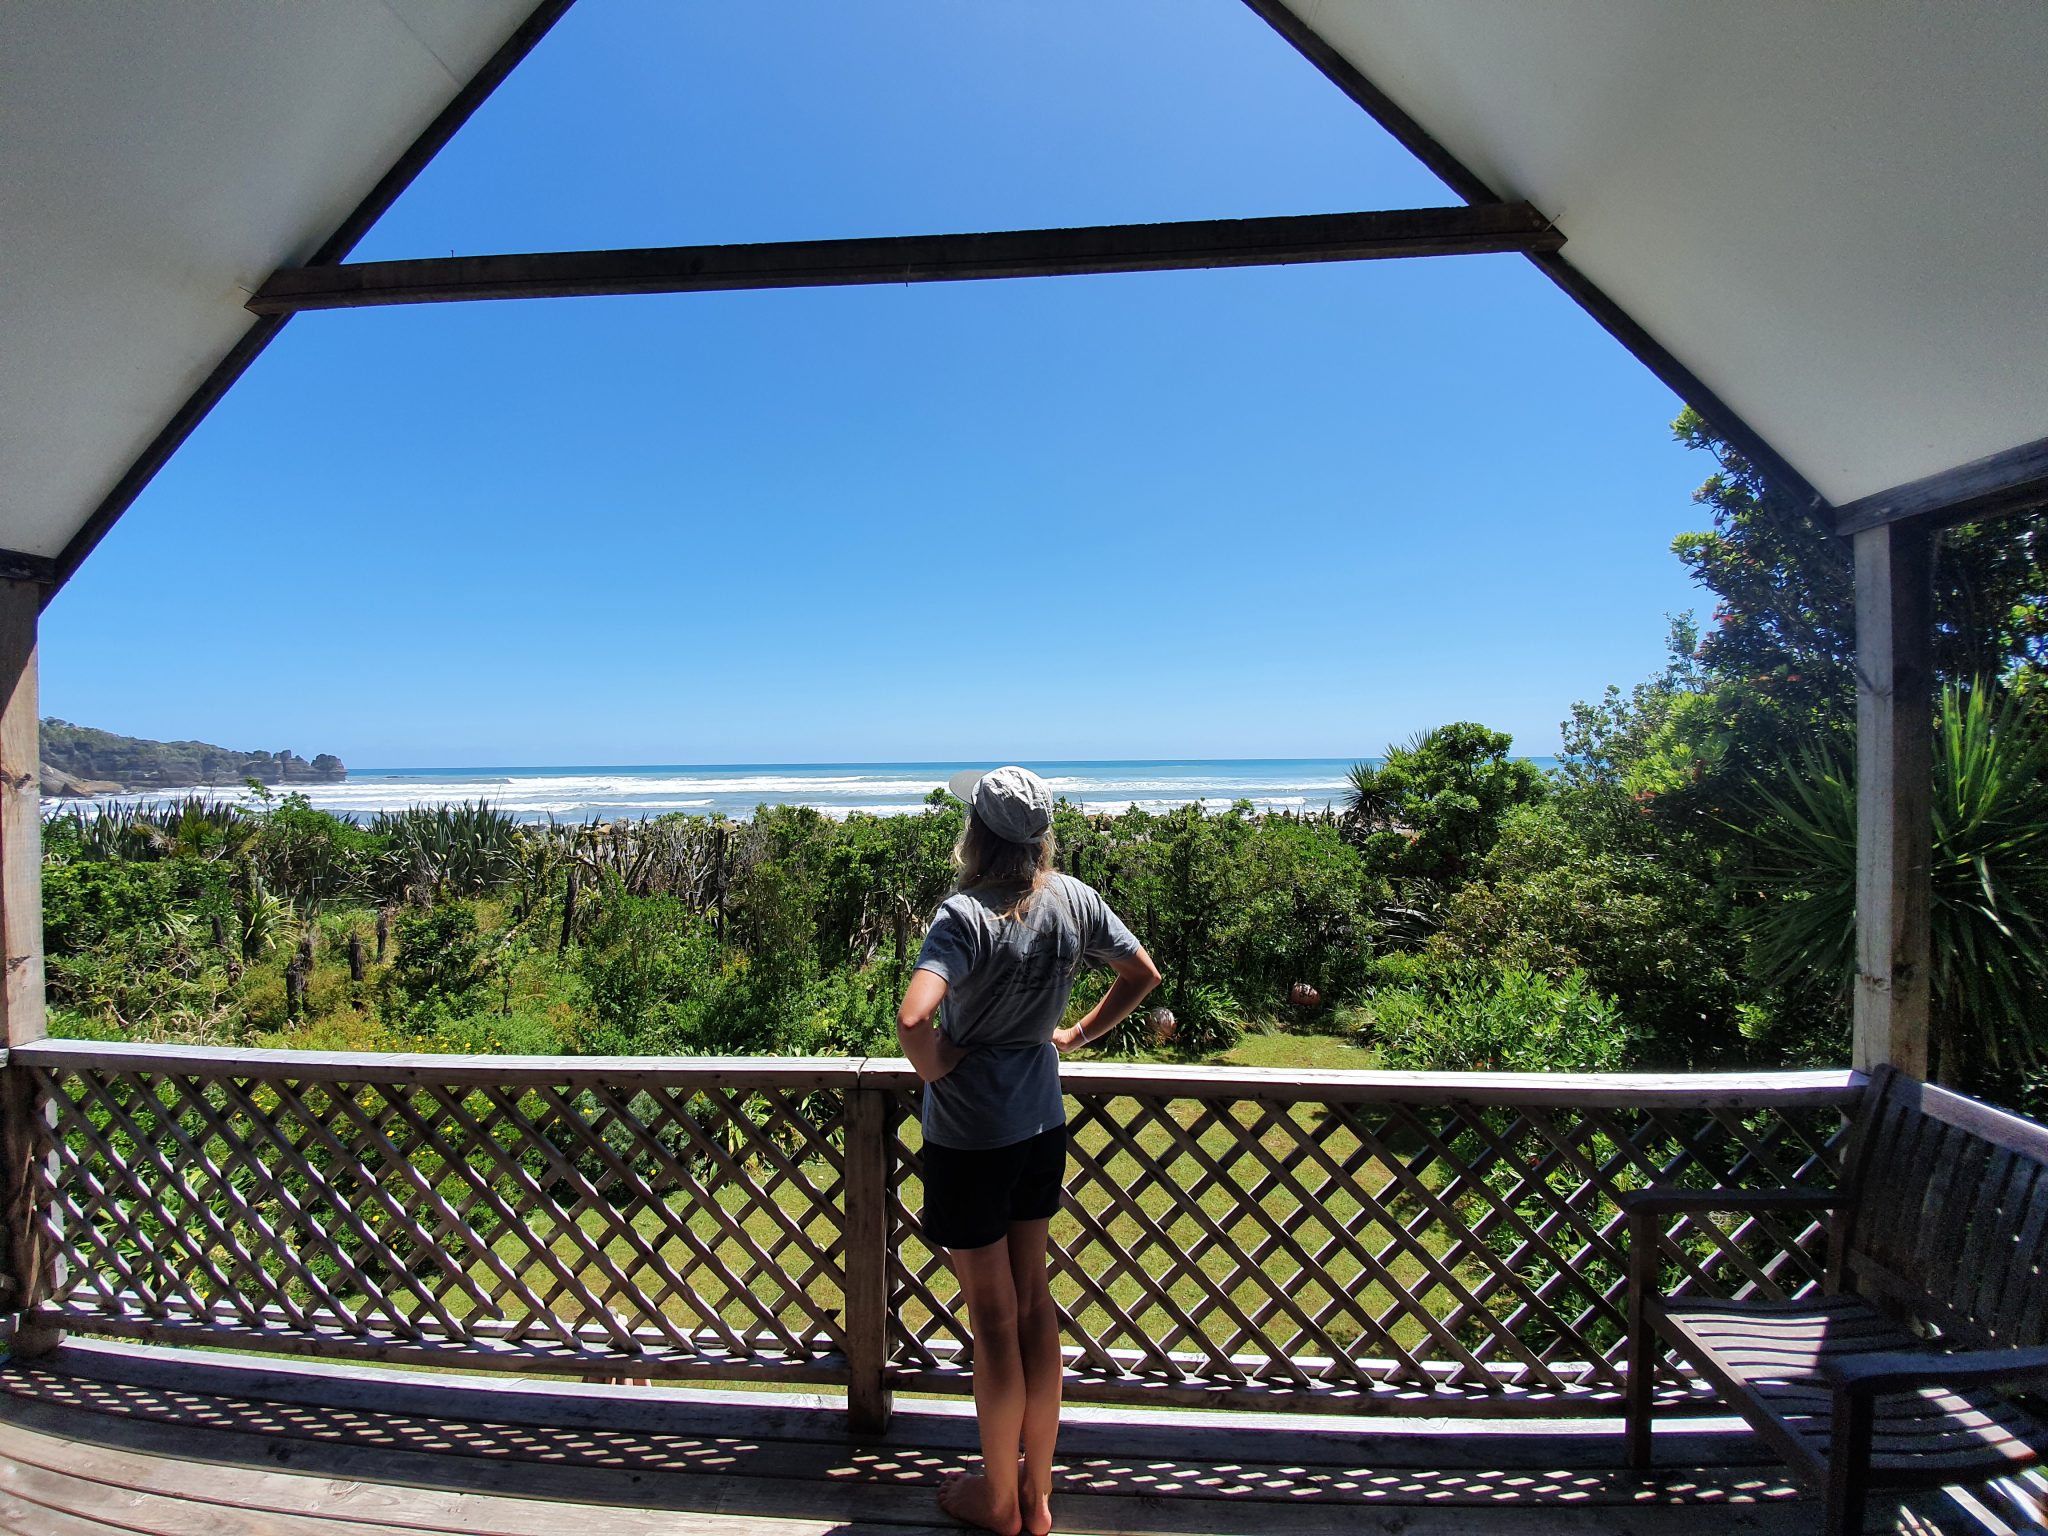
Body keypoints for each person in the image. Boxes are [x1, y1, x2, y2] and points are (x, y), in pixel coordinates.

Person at [897, 765, 1160, 1536]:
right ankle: (1039, 1496)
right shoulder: (1072, 898)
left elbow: (916, 1021)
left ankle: (1001, 1503)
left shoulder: (964, 915)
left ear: (975, 833)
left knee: (993, 1319)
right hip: (1042, 1126)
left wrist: (938, 1061)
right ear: (1040, 834)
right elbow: (1141, 973)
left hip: (974, 1136)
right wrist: (1074, 1035)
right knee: (1036, 1300)